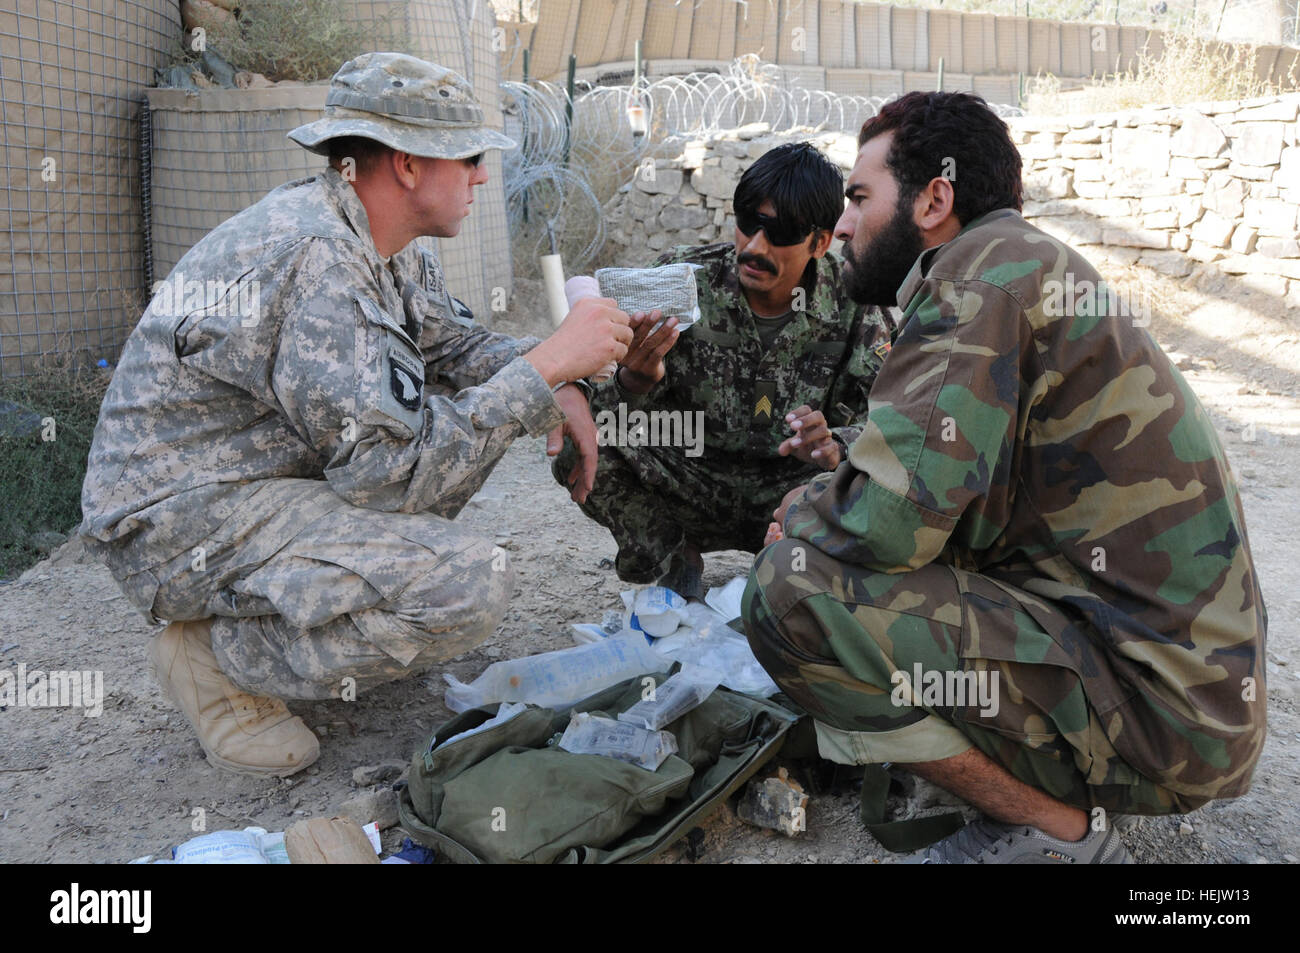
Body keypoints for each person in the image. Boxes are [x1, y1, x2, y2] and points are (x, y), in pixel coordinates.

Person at [743, 91, 1267, 863]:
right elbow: (945, 483)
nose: (844, 225)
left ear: (935, 199)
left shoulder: (976, 278)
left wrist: (807, 510)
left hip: (1166, 716)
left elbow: (889, 523)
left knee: (788, 589)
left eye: (859, 198)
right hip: (1188, 702)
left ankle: (1054, 831)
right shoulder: (1011, 265)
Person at [78, 52, 632, 777]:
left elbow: (451, 344)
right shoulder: (319, 263)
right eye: (466, 159)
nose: (480, 178)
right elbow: (394, 475)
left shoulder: (372, 236)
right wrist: (547, 369)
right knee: (466, 581)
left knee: (445, 466)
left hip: (241, 479)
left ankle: (279, 615)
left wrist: (558, 370)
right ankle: (216, 661)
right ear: (405, 163)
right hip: (172, 519)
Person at [553, 142, 891, 599]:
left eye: (781, 233)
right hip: (690, 476)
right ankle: (672, 554)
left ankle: (792, 562)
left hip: (791, 489)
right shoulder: (678, 279)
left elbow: (887, 422)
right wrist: (637, 379)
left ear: (821, 241)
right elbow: (603, 402)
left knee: (875, 478)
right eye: (748, 223)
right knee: (583, 438)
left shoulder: (855, 303)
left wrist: (833, 448)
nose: (755, 246)